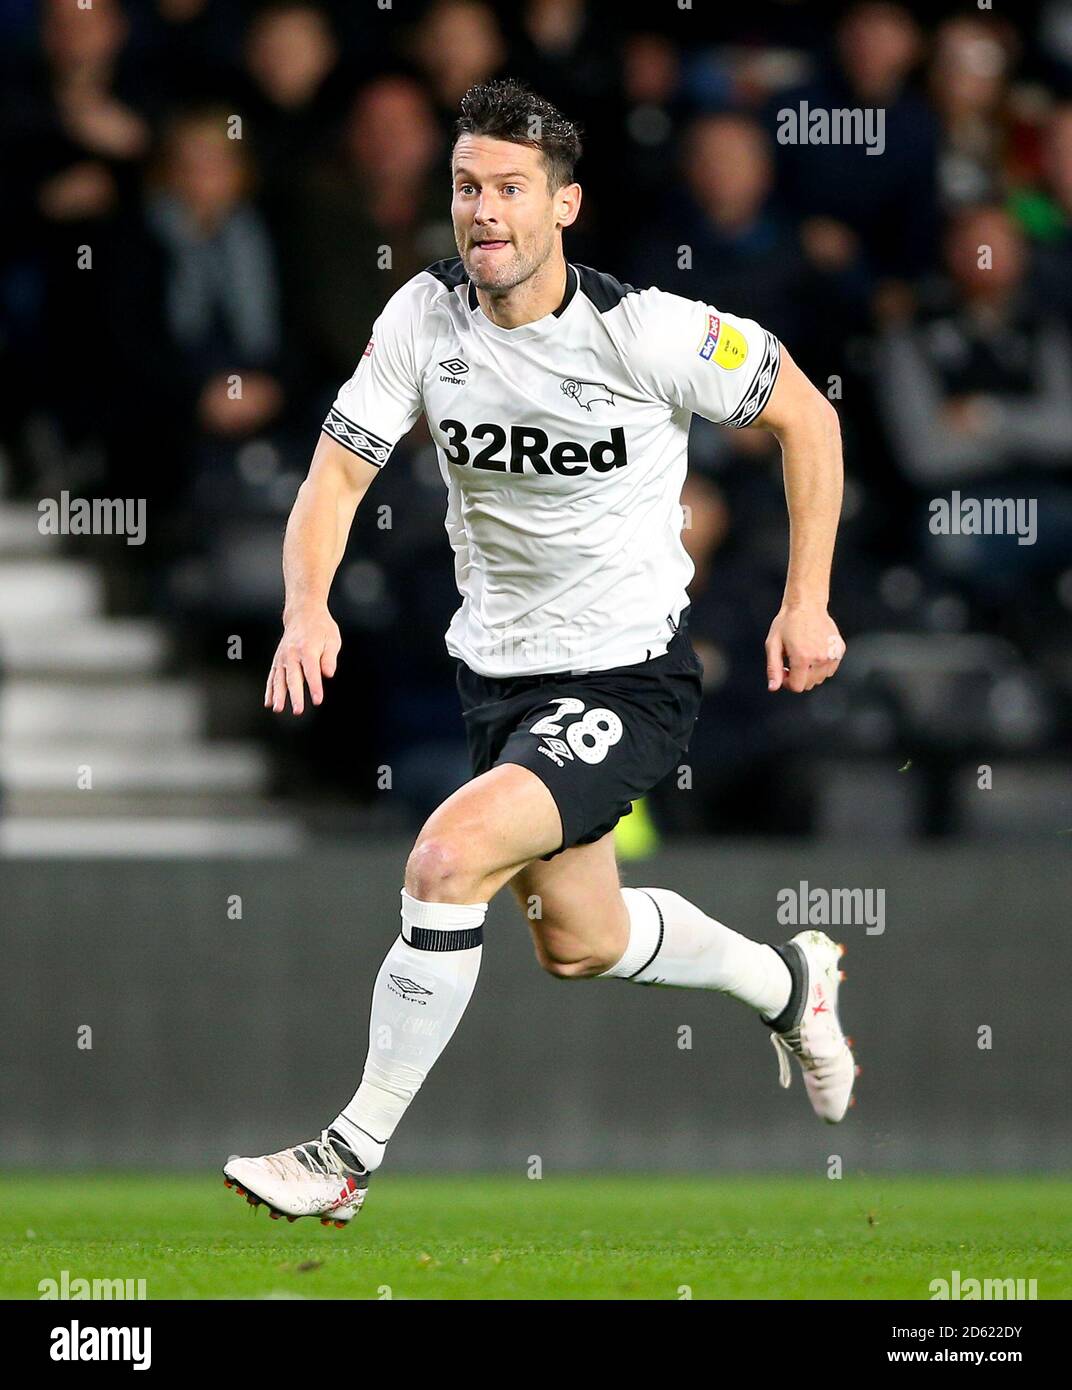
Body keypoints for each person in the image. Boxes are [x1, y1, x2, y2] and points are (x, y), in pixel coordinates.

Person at [223, 80, 856, 1227]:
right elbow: (335, 473)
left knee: (444, 858)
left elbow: (808, 417)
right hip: (498, 680)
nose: (484, 212)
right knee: (582, 942)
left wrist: (802, 601)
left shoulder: (646, 331)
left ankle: (344, 1155)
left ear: (563, 205)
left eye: (511, 188)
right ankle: (790, 982)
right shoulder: (421, 318)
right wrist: (304, 605)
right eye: (467, 187)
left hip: (627, 675)